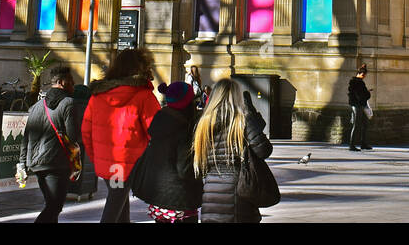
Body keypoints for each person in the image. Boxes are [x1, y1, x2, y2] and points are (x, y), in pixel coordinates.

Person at [81, 47, 161, 223]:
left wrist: (96, 158)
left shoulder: (98, 96)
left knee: (119, 204)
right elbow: (157, 131)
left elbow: (86, 131)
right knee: (114, 206)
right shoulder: (143, 96)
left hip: (108, 163)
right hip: (127, 163)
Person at [193, 79, 273, 223]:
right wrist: (251, 115)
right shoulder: (242, 120)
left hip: (211, 190)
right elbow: (264, 150)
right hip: (238, 188)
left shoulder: (204, 122)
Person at [132, 82, 203, 223]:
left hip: (158, 197)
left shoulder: (160, 121)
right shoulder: (183, 128)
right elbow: (184, 169)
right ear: (187, 104)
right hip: (179, 199)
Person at [17, 65, 78, 223]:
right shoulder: (69, 103)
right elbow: (73, 137)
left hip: (37, 163)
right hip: (57, 163)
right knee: (54, 207)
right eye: (71, 81)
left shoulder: (37, 106)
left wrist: (22, 163)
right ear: (61, 82)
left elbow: (26, 136)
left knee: (52, 205)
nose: (74, 84)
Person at [347, 64, 372, 151]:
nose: (364, 77)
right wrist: (367, 93)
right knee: (357, 125)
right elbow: (362, 95)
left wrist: (365, 93)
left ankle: (363, 143)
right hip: (358, 105)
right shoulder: (358, 83)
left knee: (364, 124)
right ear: (361, 74)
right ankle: (352, 145)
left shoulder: (355, 82)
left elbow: (358, 94)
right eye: (364, 75)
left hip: (359, 105)